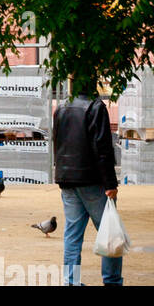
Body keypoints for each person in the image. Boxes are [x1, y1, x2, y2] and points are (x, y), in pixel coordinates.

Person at [53, 81, 123, 286]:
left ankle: (71, 281)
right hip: (91, 179)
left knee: (72, 234)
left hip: (67, 177)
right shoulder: (96, 107)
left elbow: (57, 141)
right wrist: (110, 182)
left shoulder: (62, 107)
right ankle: (111, 280)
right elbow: (102, 148)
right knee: (109, 231)